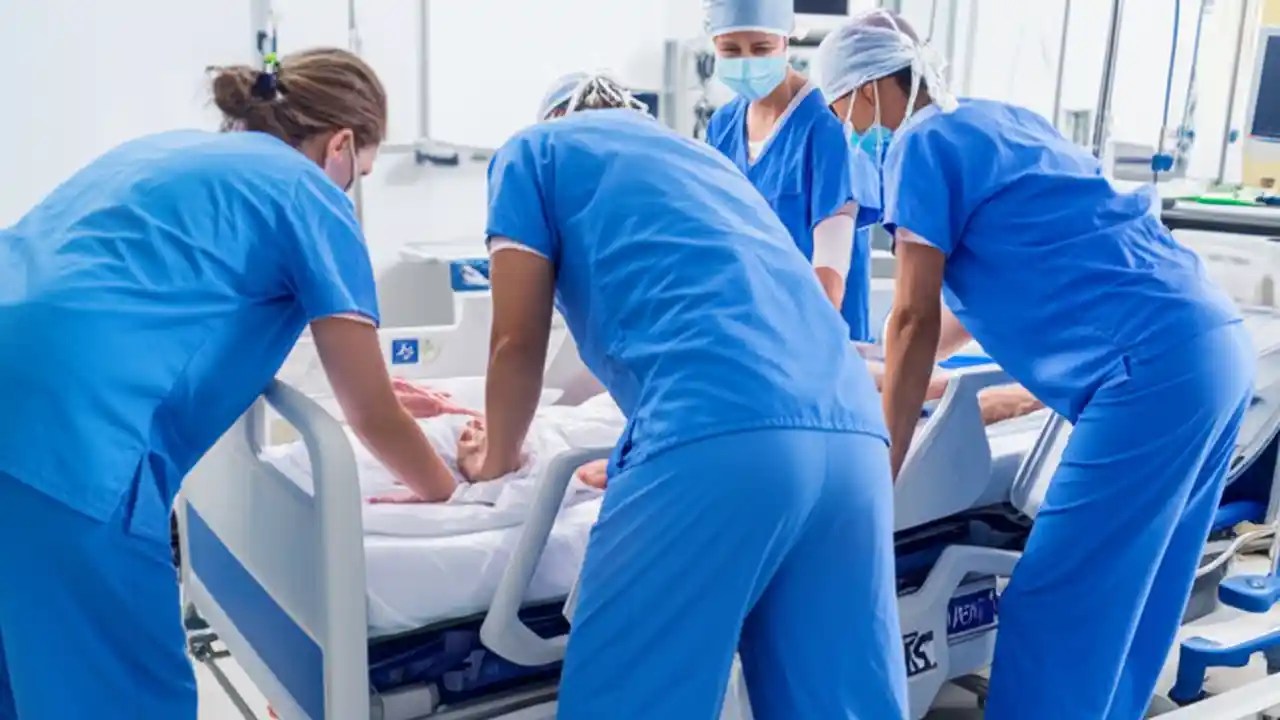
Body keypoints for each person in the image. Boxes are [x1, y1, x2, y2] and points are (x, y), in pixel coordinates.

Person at [816, 10, 1254, 719]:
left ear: (867, 88)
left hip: (1150, 371)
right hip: (1212, 345)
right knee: (1137, 597)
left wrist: (886, 463)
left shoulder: (918, 145)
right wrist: (873, 357)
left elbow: (914, 316)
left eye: (842, 111)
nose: (847, 130)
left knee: (1058, 605)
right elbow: (982, 294)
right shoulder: (1000, 120)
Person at [0, 49, 461, 718]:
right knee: (119, 692)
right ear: (340, 145)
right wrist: (451, 490)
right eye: (359, 174)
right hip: (73, 442)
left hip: (23, 408)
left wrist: (377, 389)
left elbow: (188, 312)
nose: (350, 189)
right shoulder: (308, 194)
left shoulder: (167, 153)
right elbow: (370, 414)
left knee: (25, 675)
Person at [453, 73, 907, 719]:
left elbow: (515, 343)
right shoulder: (708, 165)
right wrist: (640, 454)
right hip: (854, 439)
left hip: (719, 435)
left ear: (554, 117)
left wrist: (496, 458)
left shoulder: (534, 152)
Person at [703, 0, 880, 336]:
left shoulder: (828, 123)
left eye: (761, 48)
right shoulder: (722, 126)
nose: (746, 61)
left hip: (818, 332)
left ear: (785, 40)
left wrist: (804, 343)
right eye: (730, 50)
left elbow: (830, 273)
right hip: (750, 328)